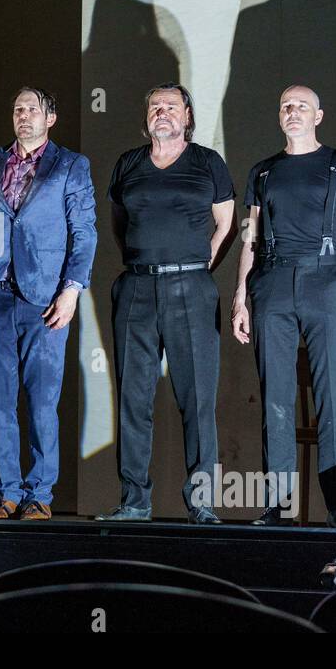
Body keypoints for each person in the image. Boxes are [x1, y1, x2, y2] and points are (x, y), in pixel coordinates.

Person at [232, 85, 336, 528]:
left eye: (302, 106)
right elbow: (250, 238)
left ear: (318, 116)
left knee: (332, 396)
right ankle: (277, 507)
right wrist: (239, 297)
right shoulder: (263, 171)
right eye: (286, 106)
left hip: (324, 281)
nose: (293, 112)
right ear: (279, 116)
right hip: (272, 283)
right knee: (276, 397)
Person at [0, 87, 97, 520]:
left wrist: (71, 290)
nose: (23, 115)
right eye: (18, 108)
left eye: (32, 109)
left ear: (50, 118)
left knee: (41, 402)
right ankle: (7, 493)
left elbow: (84, 232)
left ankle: (40, 494)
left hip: (46, 298)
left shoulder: (70, 165)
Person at [96, 84, 234, 523]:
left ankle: (202, 503)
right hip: (136, 288)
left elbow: (226, 224)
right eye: (155, 106)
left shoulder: (207, 162)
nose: (162, 111)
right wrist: (142, 262)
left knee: (197, 399)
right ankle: (134, 501)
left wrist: (198, 266)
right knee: (133, 398)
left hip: (191, 287)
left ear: (187, 116)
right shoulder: (129, 163)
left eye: (171, 106)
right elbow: (118, 223)